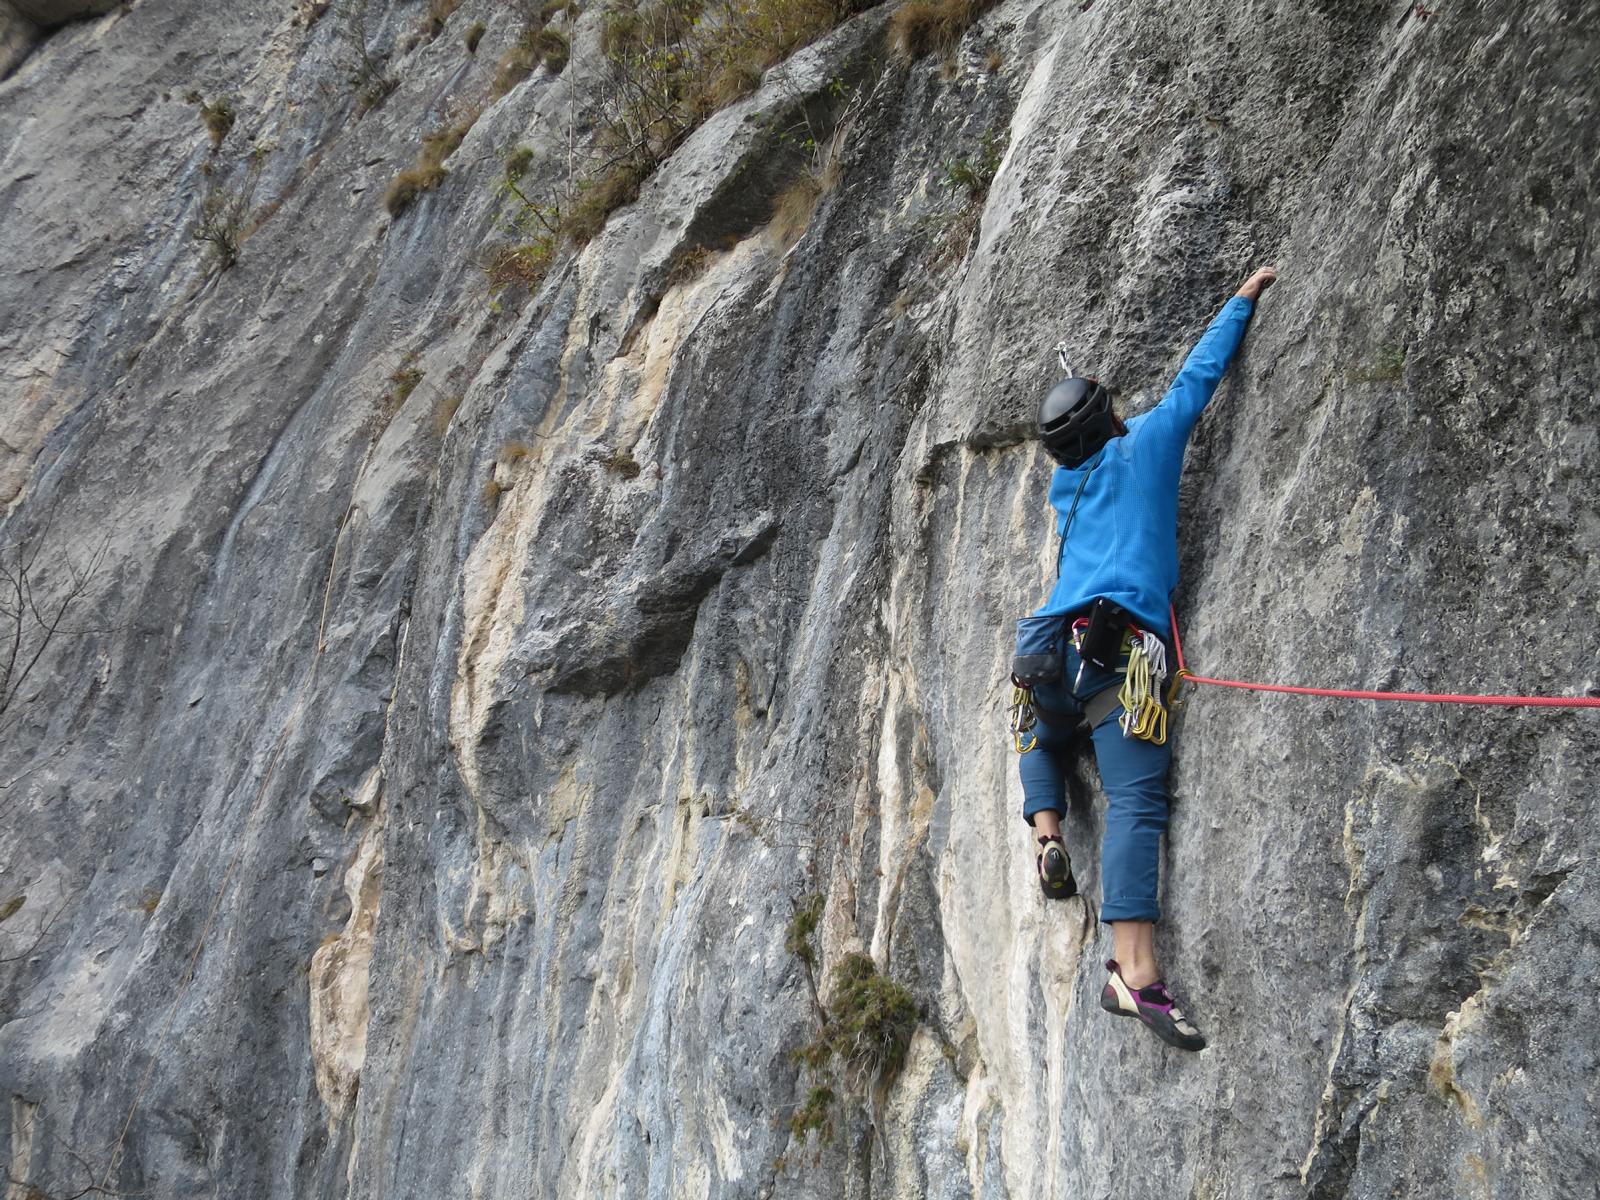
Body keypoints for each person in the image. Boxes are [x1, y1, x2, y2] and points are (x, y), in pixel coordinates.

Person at [1014, 266, 1278, 1052]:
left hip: (1048, 652)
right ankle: (1134, 972)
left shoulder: (1067, 492)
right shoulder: (1149, 448)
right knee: (1136, 802)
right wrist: (1245, 295)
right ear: (1112, 420)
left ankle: (1047, 833)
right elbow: (1199, 377)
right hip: (1117, 655)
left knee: (1041, 734)